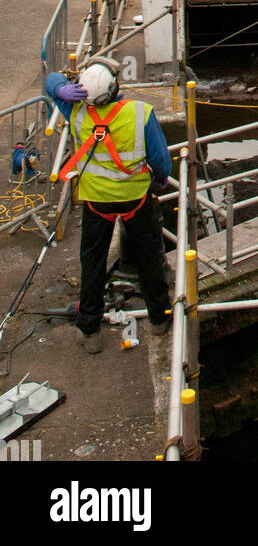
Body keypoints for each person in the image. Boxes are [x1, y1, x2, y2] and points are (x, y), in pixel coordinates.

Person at [45, 59, 172, 354]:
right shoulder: (140, 113)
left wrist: (62, 88)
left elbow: (50, 81)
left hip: (97, 202)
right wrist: (162, 178)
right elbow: (160, 160)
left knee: (92, 265)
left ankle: (90, 332)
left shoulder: (76, 112)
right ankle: (158, 320)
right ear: (116, 87)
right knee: (150, 260)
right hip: (135, 201)